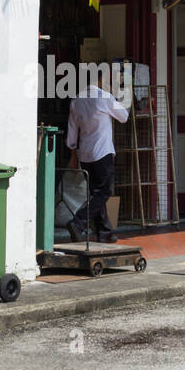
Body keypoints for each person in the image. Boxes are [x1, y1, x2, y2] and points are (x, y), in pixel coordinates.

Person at [65, 67, 129, 243]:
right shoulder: (104, 98)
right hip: (102, 152)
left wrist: (73, 155)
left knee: (95, 192)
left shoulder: (77, 101)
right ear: (99, 80)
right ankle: (78, 222)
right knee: (103, 192)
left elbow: (72, 132)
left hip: (85, 154)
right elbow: (124, 116)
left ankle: (104, 232)